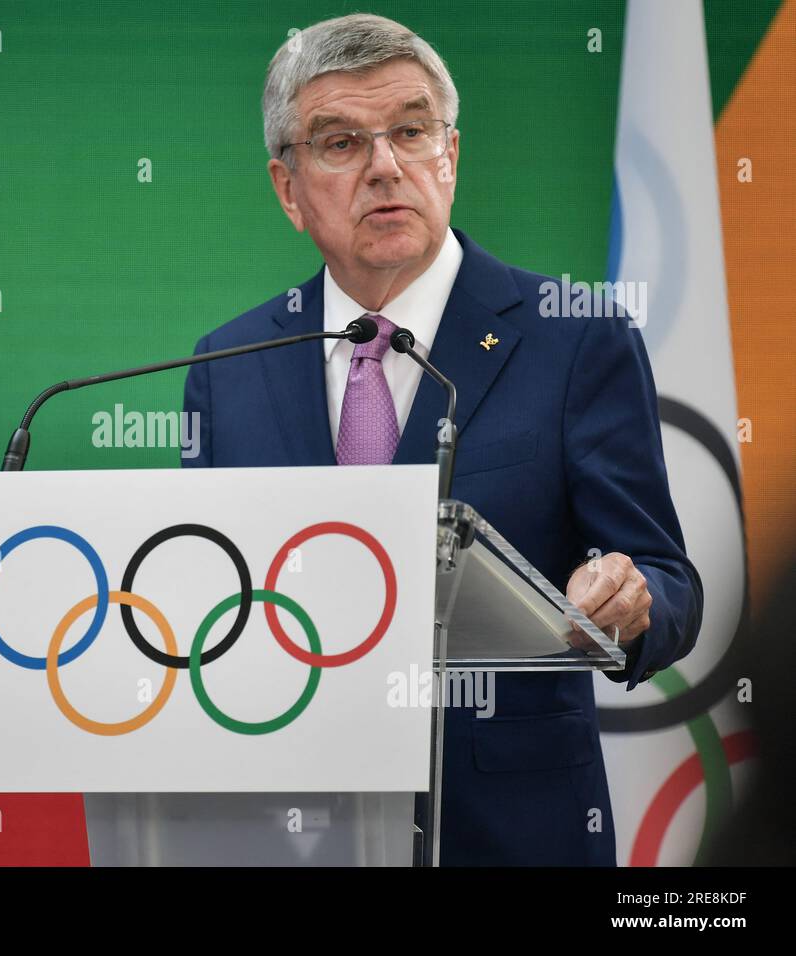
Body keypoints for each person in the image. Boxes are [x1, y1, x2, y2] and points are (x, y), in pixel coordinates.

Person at [182, 12, 703, 865]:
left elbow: (669, 583)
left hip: (512, 830)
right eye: (342, 142)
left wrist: (631, 599)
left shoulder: (575, 338)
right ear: (287, 188)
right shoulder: (229, 365)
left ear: (449, 156)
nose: (386, 166)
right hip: (289, 829)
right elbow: (204, 604)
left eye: (411, 132)